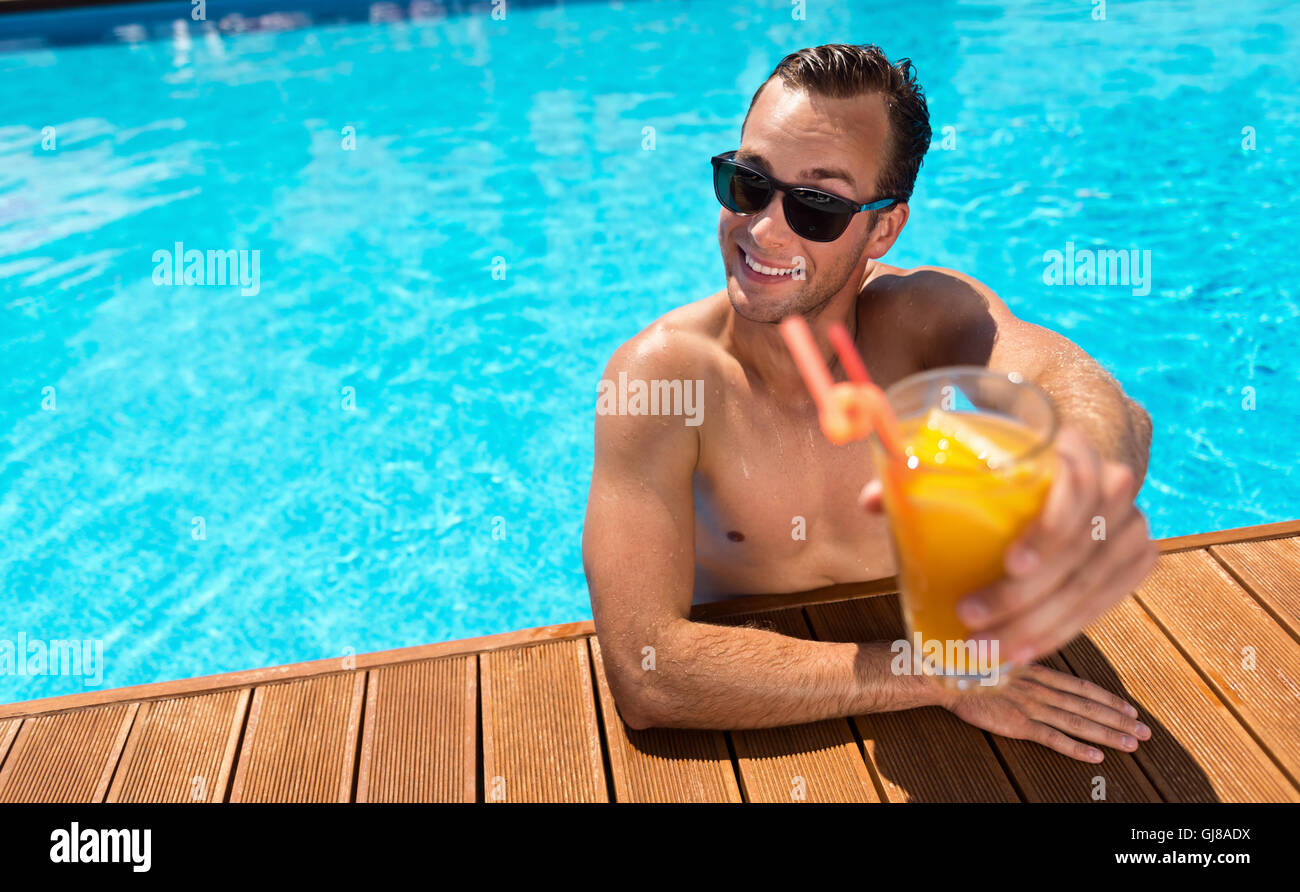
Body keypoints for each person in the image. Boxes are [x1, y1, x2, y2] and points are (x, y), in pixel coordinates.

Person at [582, 44, 1156, 764]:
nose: (762, 229)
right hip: (757, 739)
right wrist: (935, 673)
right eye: (748, 182)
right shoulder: (663, 383)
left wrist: (1087, 477)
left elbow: (1097, 399)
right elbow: (648, 673)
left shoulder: (925, 323)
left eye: (816, 206)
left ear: (882, 229)